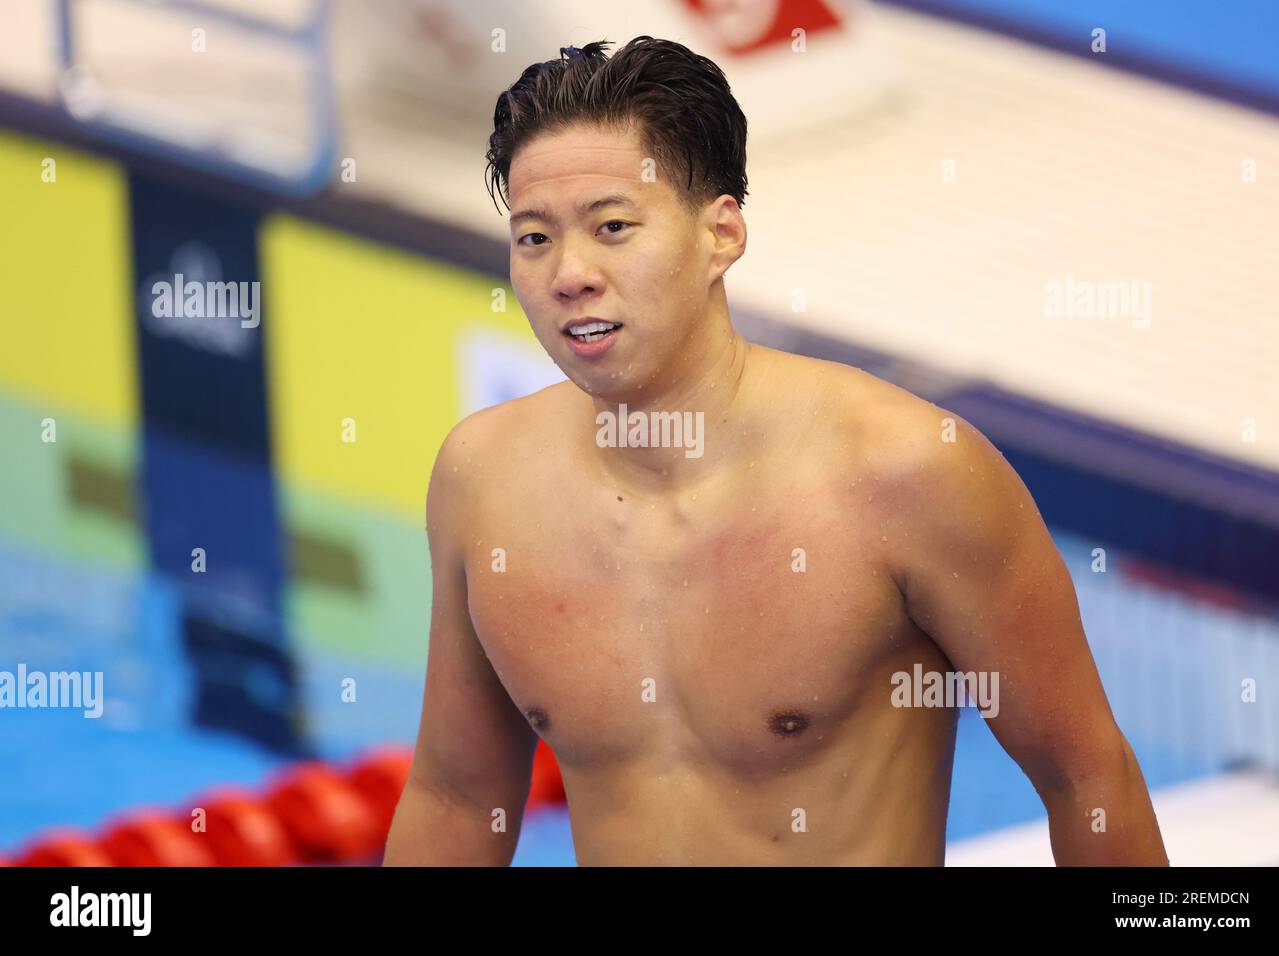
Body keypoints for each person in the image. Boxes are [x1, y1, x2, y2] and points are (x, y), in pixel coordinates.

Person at [383, 37, 1168, 866]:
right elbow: (458, 798)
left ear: (721, 234)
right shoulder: (485, 479)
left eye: (613, 227)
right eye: (534, 238)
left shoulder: (907, 473)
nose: (570, 273)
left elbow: (1086, 778)